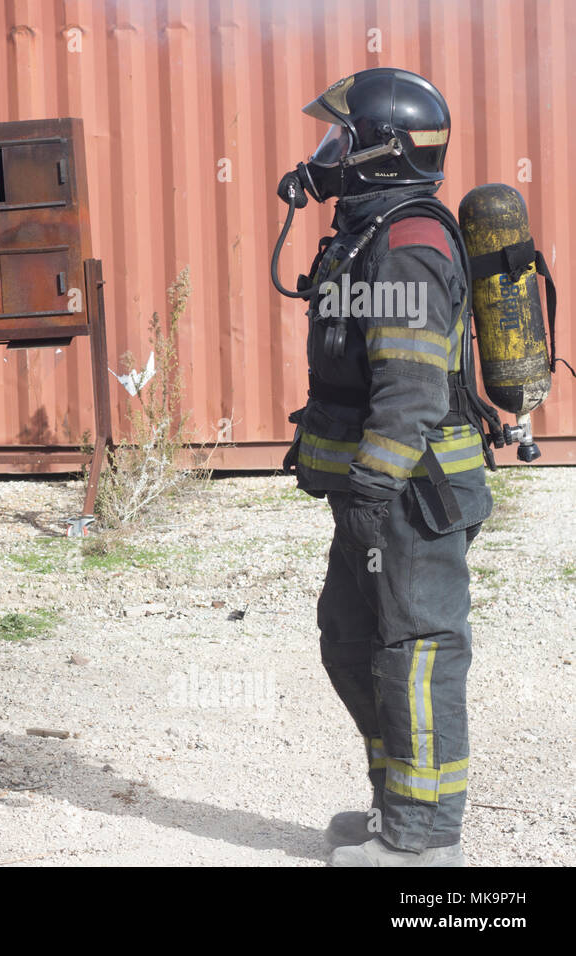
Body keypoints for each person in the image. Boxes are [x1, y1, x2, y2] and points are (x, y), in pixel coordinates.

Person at [277, 68, 492, 866]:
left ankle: (424, 842)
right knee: (352, 642)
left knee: (415, 655)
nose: (327, 152)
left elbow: (410, 391)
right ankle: (394, 803)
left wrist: (372, 486)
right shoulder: (369, 232)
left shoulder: (407, 244)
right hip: (375, 494)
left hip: (408, 494)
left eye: (342, 137)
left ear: (381, 150)